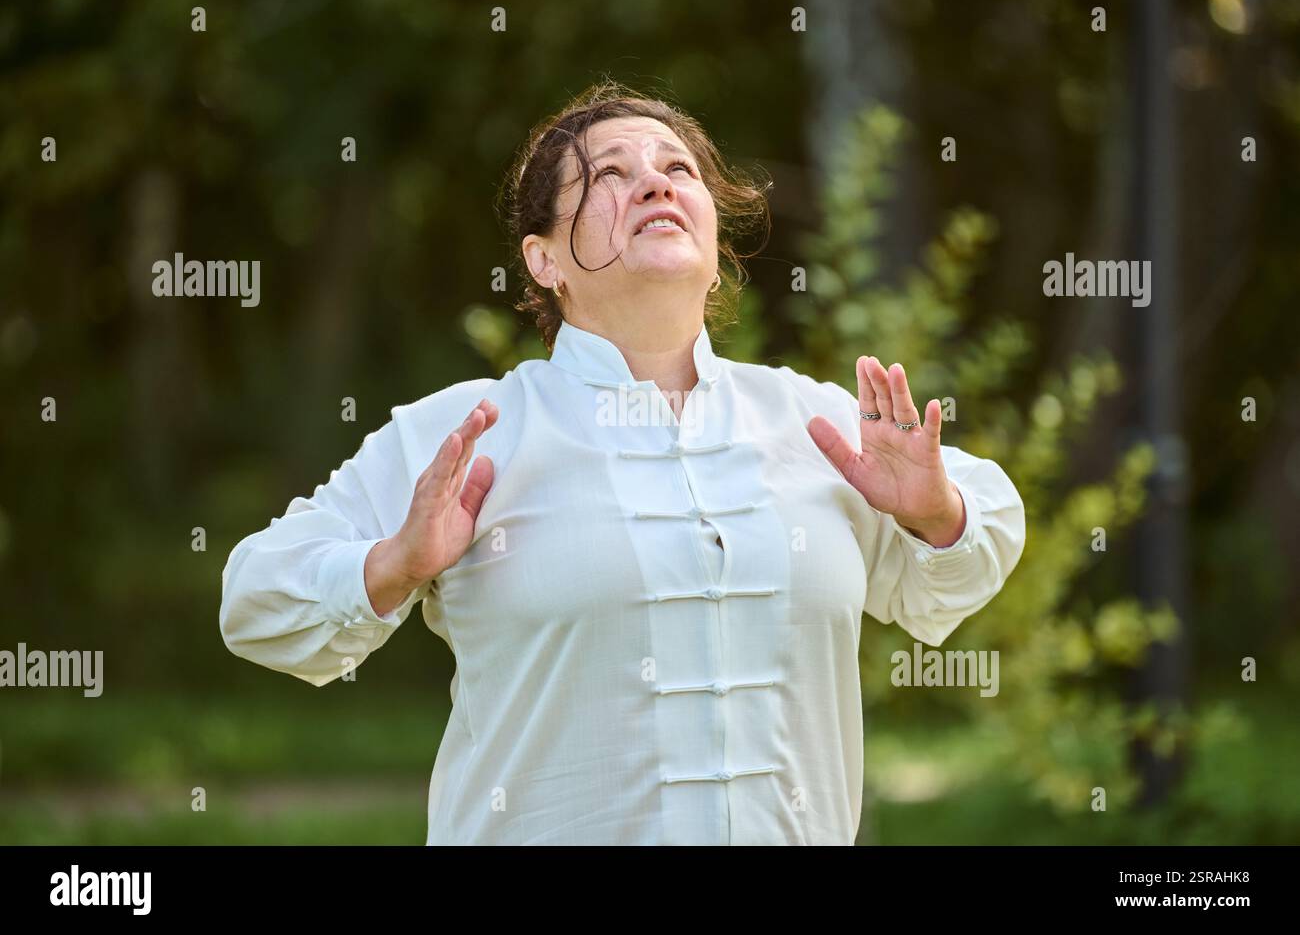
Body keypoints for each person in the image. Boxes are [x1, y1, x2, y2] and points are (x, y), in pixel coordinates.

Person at [219, 82, 1026, 845]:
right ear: (544, 261)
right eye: (611, 174)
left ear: (715, 246)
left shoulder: (816, 425)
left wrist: (936, 513)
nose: (655, 184)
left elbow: (952, 579)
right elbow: (255, 601)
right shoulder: (474, 433)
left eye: (678, 169)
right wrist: (394, 564)